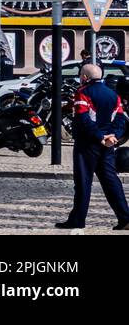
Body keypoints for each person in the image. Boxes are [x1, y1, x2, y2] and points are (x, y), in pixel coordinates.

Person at [56, 63, 129, 230]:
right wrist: (114, 137)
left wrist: (99, 136)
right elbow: (120, 119)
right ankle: (125, 218)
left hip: (87, 145)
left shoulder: (82, 92)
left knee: (83, 182)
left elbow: (83, 119)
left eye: (81, 75)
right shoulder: (113, 94)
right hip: (108, 145)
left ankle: (77, 220)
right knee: (111, 181)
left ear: (85, 77)